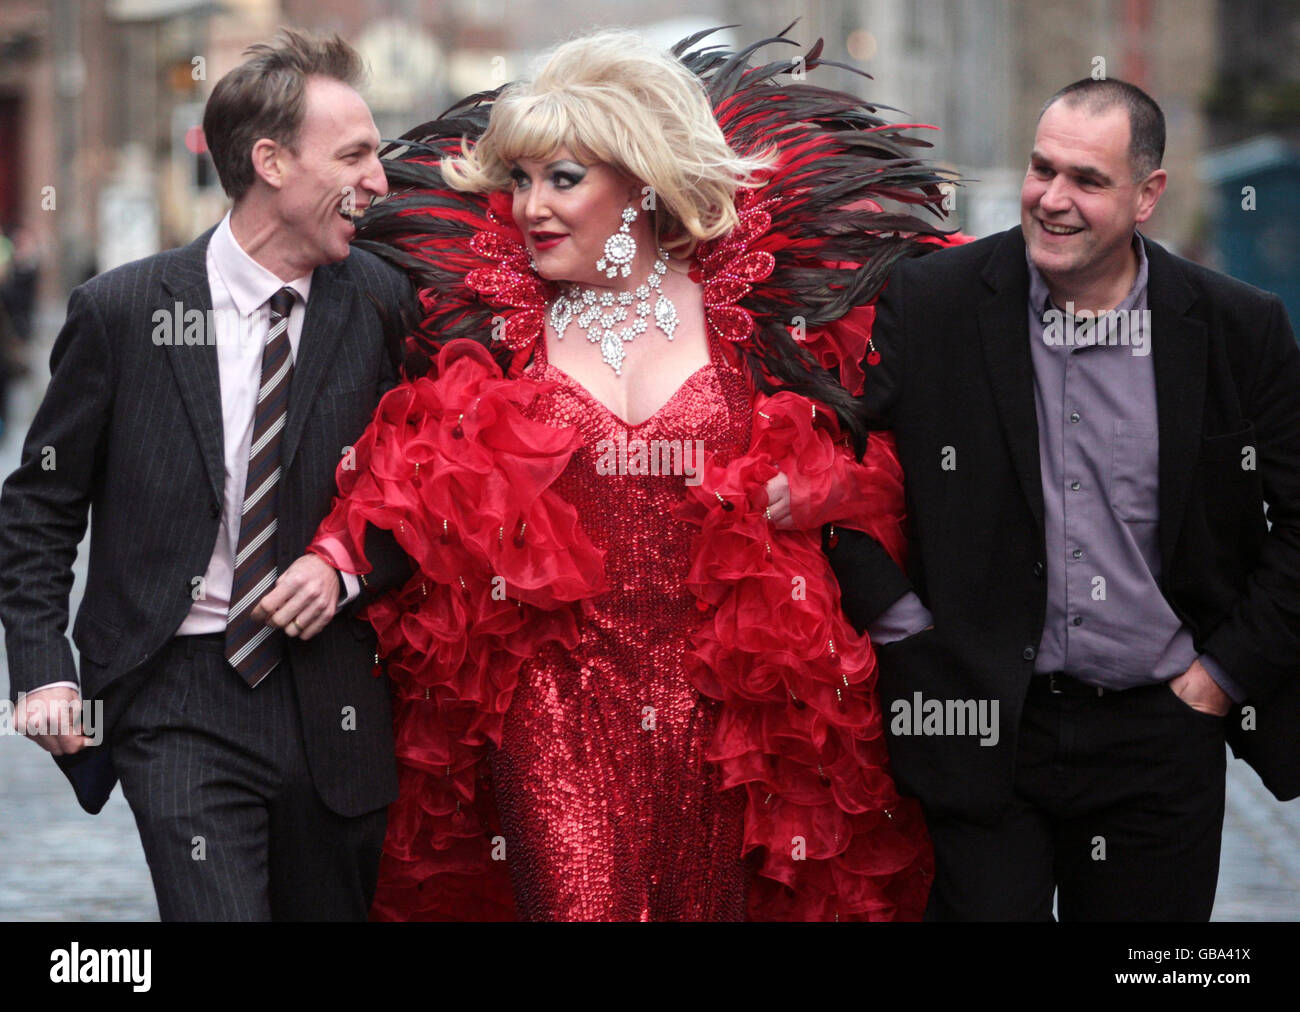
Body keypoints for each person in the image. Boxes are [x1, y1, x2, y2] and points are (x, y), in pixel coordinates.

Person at [291, 28, 955, 921]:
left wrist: (808, 492)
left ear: (640, 185)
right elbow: (414, 476)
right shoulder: (502, 330)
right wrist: (335, 556)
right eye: (519, 181)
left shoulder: (747, 315)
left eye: (562, 179)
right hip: (553, 714)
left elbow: (874, 467)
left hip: (721, 709)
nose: (530, 207)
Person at [830, 78, 1300, 920]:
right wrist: (911, 637)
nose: (1052, 199)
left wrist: (1220, 679)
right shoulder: (933, 302)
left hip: (1160, 739)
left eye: (1087, 179)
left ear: (1148, 195)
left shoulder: (1239, 328)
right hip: (981, 726)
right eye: (1042, 169)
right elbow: (845, 480)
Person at [0, 29, 415, 920]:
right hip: (176, 694)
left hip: (336, 699)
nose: (378, 180)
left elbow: (428, 488)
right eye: (355, 155)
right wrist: (43, 671)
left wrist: (347, 565)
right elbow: (38, 505)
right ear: (271, 161)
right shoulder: (123, 311)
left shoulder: (384, 303)